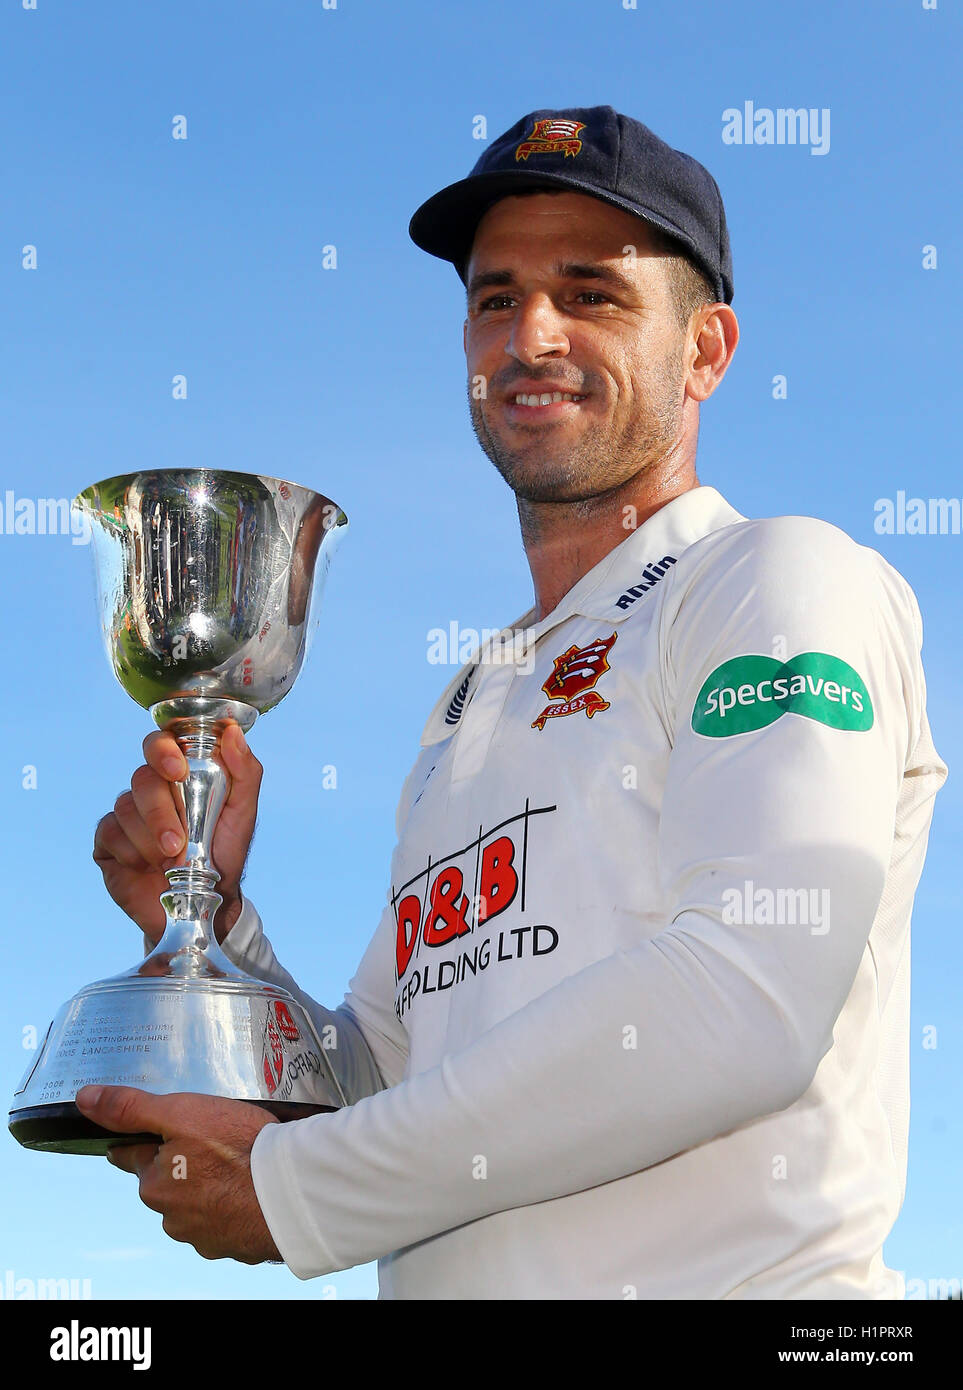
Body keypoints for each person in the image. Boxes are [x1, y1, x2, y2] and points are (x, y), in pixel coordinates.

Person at [78, 106, 947, 1300]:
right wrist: (219, 931)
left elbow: (744, 998)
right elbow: (385, 1076)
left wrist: (295, 1190)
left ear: (706, 351)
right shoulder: (473, 698)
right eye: (496, 297)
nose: (530, 334)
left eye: (592, 294)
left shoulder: (779, 579)